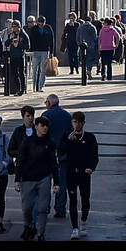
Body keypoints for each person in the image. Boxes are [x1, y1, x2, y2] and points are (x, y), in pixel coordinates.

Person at [15, 116, 59, 241]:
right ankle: (28, 226)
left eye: (46, 126)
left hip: (44, 178)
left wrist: (56, 182)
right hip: (28, 178)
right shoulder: (27, 142)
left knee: (42, 208)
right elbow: (21, 160)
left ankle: (41, 233)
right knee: (27, 207)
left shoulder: (50, 144)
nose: (45, 128)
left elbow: (53, 163)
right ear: (36, 127)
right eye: (42, 125)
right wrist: (17, 179)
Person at [59, 111, 99, 239]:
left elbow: (94, 156)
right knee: (72, 201)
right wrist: (67, 142)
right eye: (74, 122)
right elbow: (60, 151)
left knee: (85, 199)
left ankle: (84, 220)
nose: (76, 125)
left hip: (84, 174)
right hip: (71, 173)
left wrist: (91, 168)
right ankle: (75, 227)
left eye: (79, 122)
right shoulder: (67, 136)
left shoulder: (89, 138)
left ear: (83, 123)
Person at [42, 94, 73, 218]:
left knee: (46, 182)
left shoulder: (46, 115)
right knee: (61, 182)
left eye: (46, 102)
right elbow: (71, 134)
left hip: (48, 154)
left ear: (49, 103)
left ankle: (46, 207)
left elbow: (41, 134)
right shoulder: (66, 115)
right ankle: (60, 209)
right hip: (63, 154)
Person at [4, 21, 30, 96]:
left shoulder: (23, 35)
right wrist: (10, 39)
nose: (14, 29)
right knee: (14, 73)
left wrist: (18, 45)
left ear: (19, 27)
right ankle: (17, 89)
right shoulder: (12, 34)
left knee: (21, 73)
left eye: (15, 27)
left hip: (20, 56)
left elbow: (28, 46)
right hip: (13, 56)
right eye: (13, 27)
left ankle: (23, 88)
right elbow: (6, 44)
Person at [29, 16, 54, 92]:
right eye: (39, 24)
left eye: (42, 24)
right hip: (35, 50)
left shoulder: (48, 28)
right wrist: (31, 50)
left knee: (43, 69)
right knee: (35, 69)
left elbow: (51, 40)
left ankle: (41, 86)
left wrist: (51, 51)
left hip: (45, 50)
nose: (41, 25)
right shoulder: (33, 29)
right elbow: (31, 40)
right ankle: (33, 86)